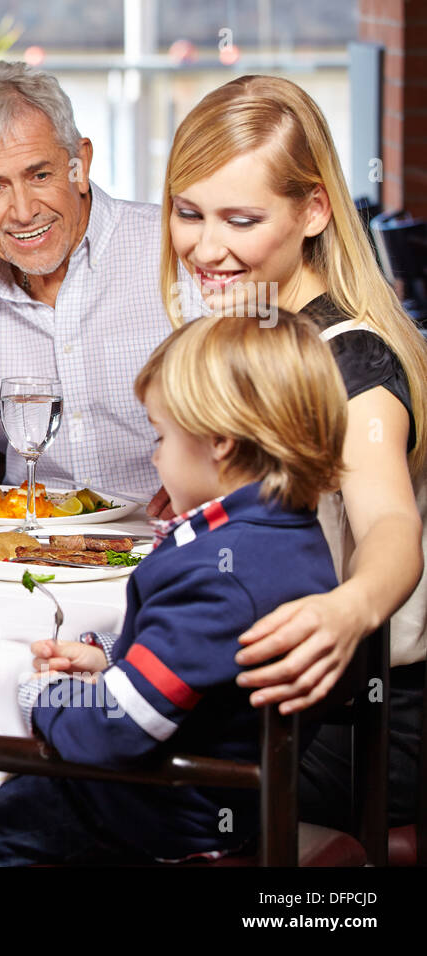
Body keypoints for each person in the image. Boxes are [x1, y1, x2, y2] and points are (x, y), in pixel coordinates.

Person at [0, 311, 347, 864]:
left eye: (162, 436)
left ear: (219, 442)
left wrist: (40, 697)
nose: (155, 456)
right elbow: (209, 663)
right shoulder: (288, 536)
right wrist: (113, 657)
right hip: (217, 805)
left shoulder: (218, 576)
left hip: (148, 822)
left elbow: (115, 728)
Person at [159, 75, 427, 830]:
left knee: (81, 768)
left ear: (314, 210)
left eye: (241, 220)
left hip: (363, 730)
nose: (205, 247)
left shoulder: (354, 364)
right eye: (188, 213)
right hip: (287, 701)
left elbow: (389, 528)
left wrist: (352, 607)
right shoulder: (259, 338)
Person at [0, 62, 171, 501]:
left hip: (169, 540)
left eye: (40, 175)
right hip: (29, 550)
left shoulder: (175, 252)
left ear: (80, 163)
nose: (23, 212)